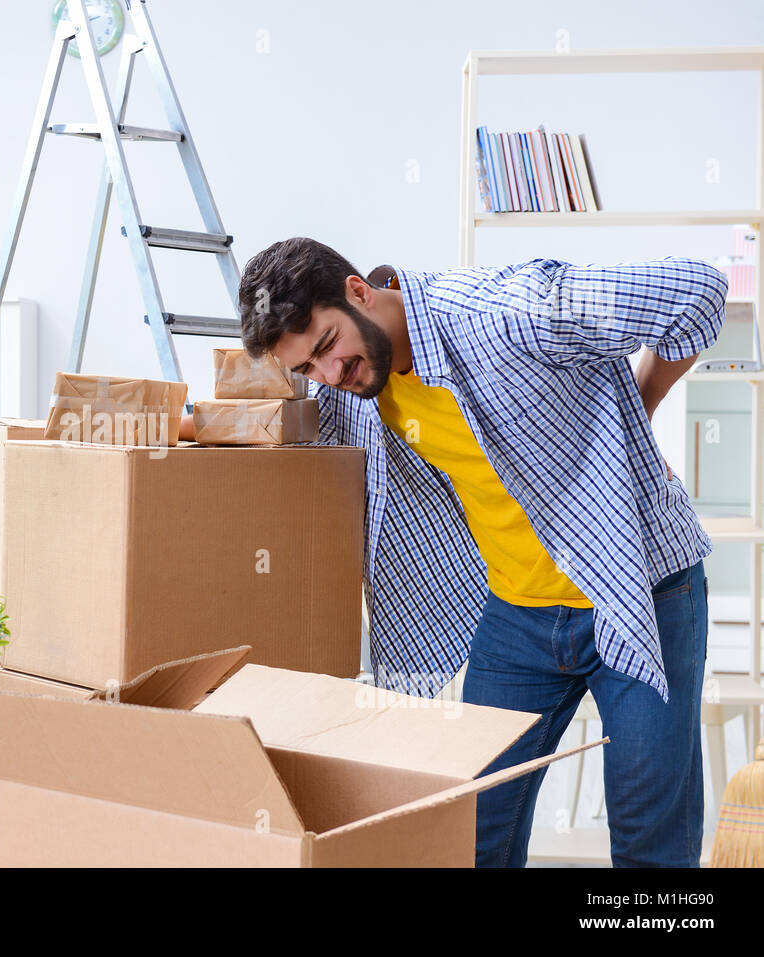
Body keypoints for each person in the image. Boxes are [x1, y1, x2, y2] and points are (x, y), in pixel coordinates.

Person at [238, 237, 725, 867]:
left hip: (639, 589)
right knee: (471, 833)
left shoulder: (506, 311)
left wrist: (642, 399)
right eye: (307, 368)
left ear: (358, 291)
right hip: (518, 613)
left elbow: (698, 290)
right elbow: (264, 428)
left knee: (647, 839)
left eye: (329, 347)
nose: (330, 376)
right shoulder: (352, 383)